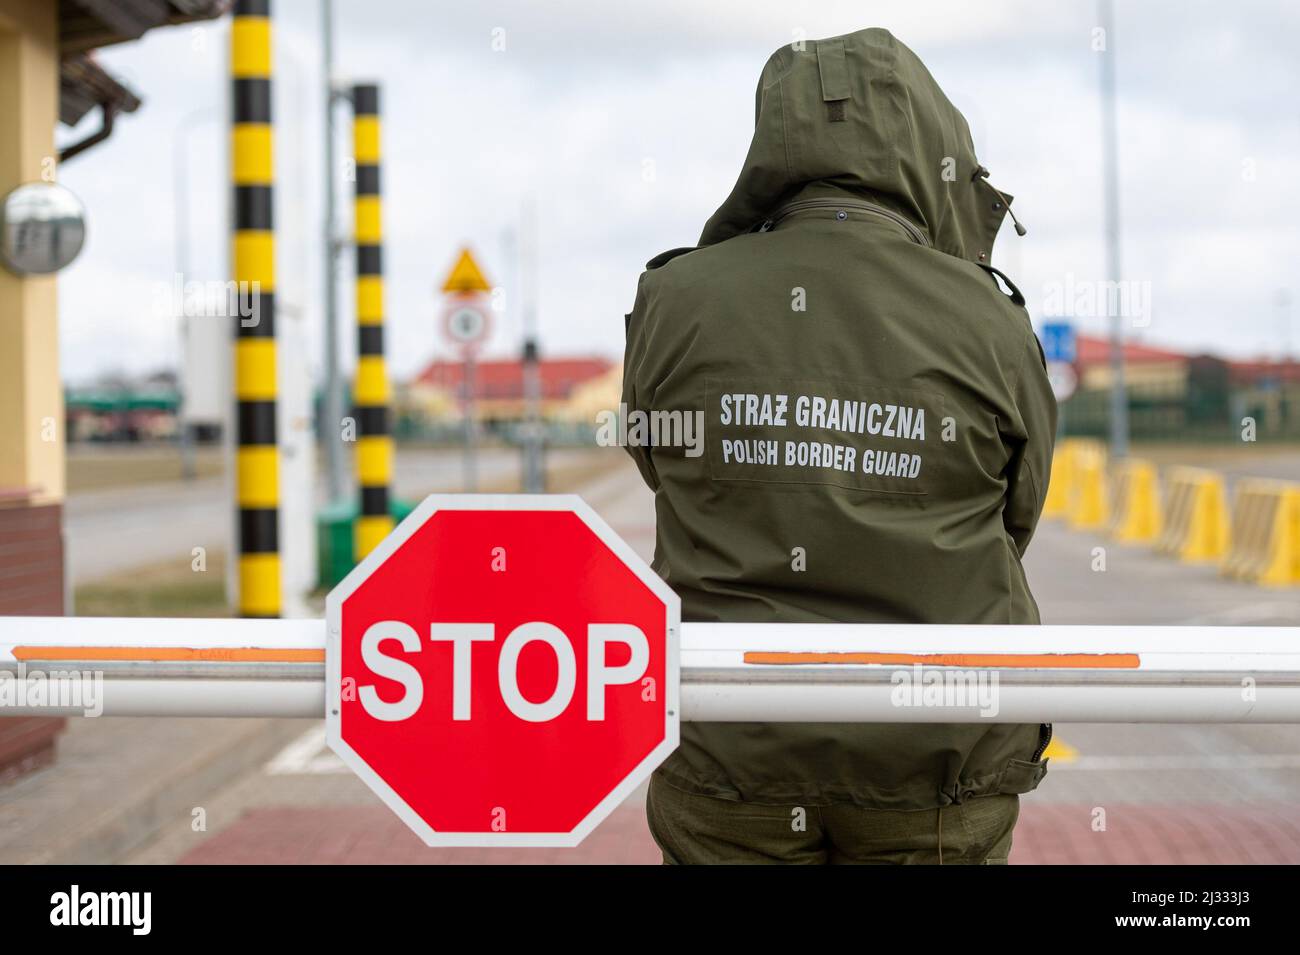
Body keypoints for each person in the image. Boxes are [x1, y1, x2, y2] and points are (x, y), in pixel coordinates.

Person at [621, 27, 1057, 864]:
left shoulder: (673, 298)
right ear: (931, 141)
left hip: (726, 748)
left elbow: (657, 465)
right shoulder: (987, 316)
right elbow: (1019, 509)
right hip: (937, 755)